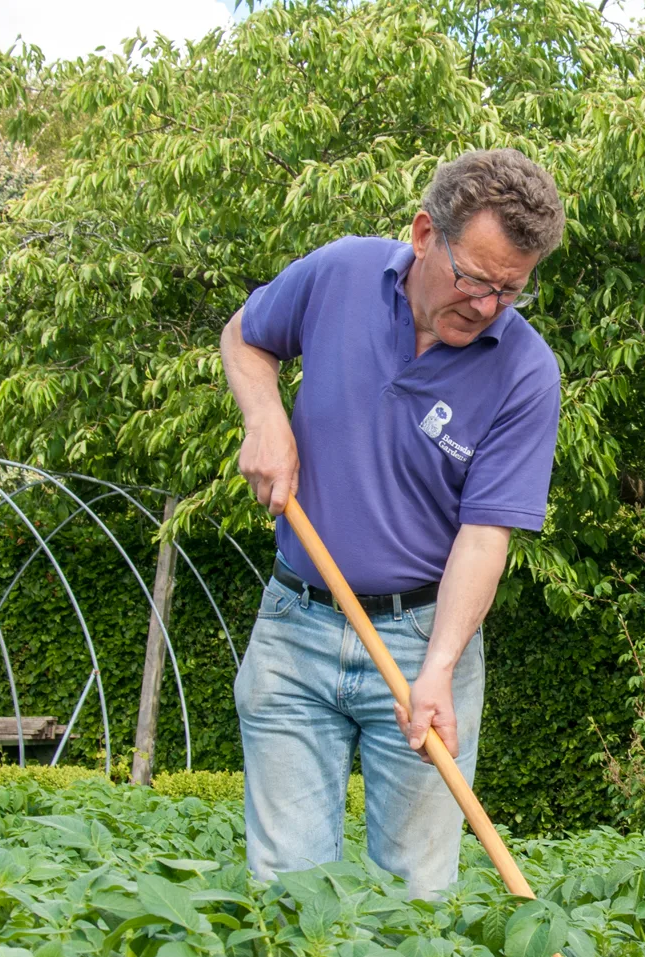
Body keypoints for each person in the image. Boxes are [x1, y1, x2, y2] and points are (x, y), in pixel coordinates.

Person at [221, 148, 565, 896]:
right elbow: (244, 337)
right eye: (473, 279)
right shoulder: (339, 274)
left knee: (413, 898)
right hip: (296, 624)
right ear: (422, 234)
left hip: (420, 640)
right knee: (287, 893)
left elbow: (484, 536)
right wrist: (265, 418)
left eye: (509, 292)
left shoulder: (526, 372)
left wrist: (437, 668)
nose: (484, 307)